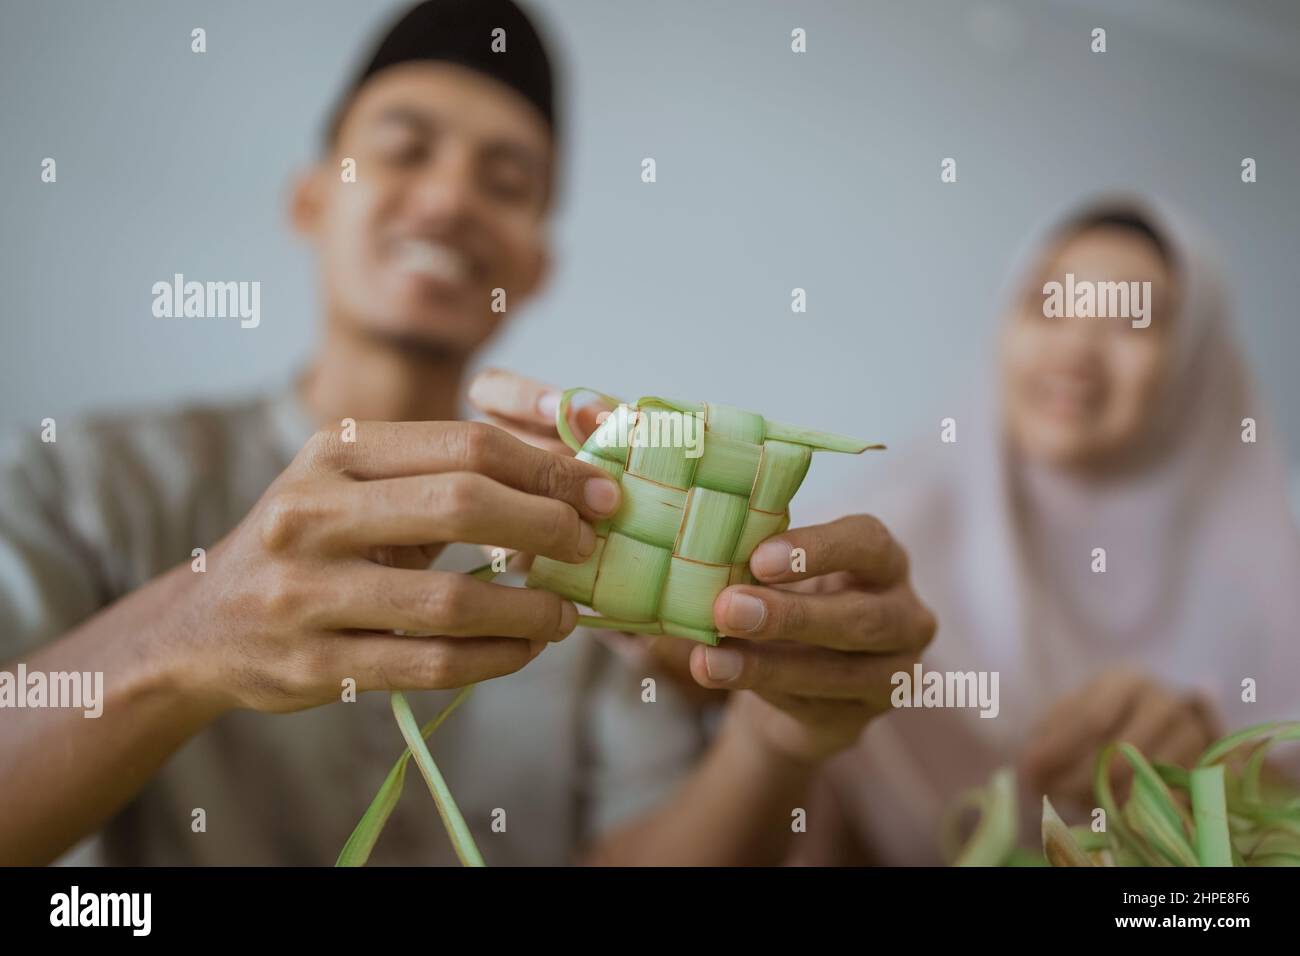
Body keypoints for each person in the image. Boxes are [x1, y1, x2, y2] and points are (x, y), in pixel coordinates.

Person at [0, 0, 934, 866]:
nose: (449, 200)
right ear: (310, 201)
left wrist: (779, 738)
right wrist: (182, 641)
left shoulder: (594, 537)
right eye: (405, 151)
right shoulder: (82, 478)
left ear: (533, 264)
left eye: (507, 181)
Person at [790, 198, 1300, 865]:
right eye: (1047, 305)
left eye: (1132, 320)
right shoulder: (878, 541)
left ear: (1194, 362)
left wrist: (1216, 773)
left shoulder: (1273, 578)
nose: (1074, 350)